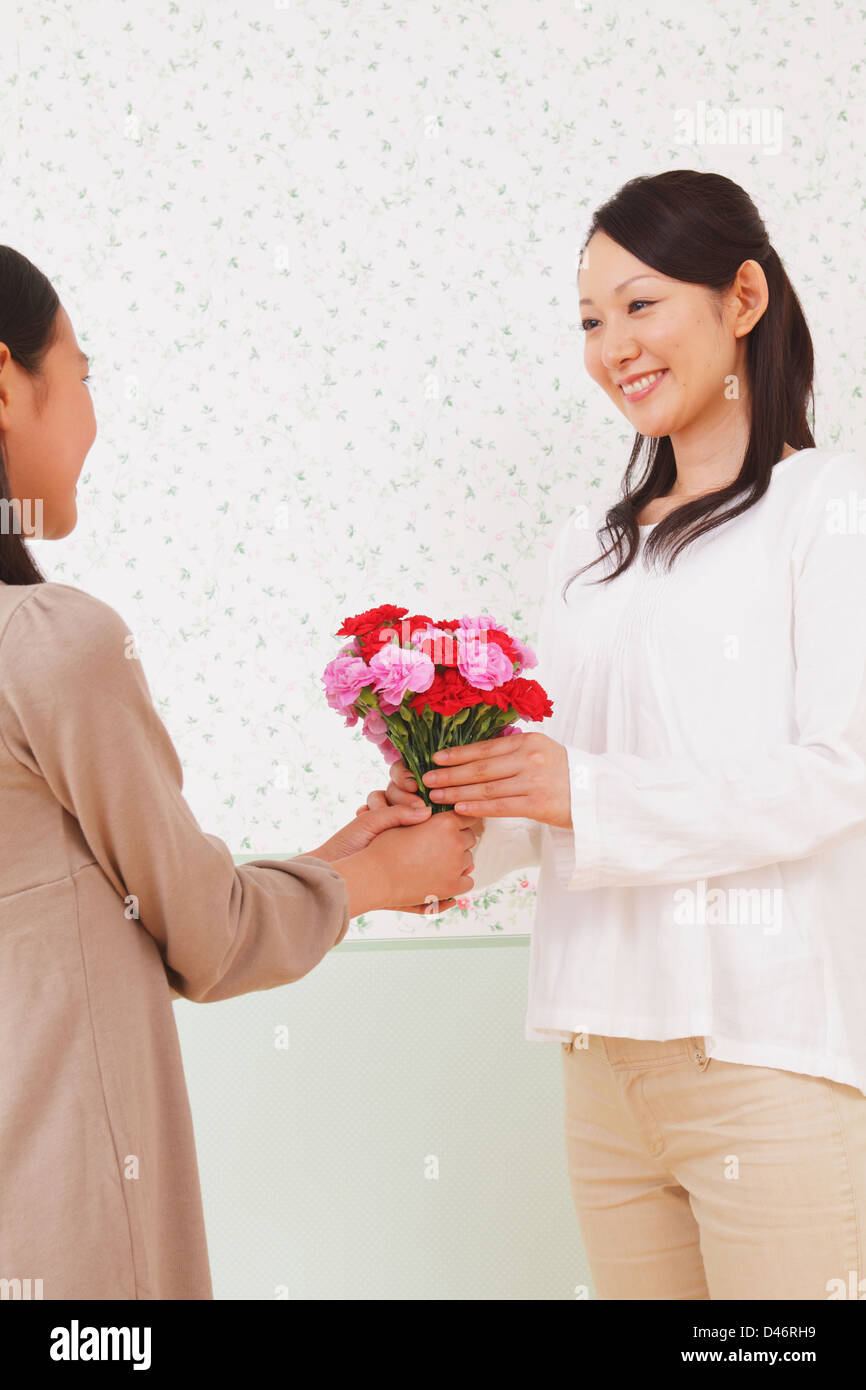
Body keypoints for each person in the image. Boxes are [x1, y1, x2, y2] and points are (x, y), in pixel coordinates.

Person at [367, 169, 866, 1300]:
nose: (611, 347)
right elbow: (560, 793)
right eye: (590, 319)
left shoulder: (826, 505)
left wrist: (574, 790)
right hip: (601, 1060)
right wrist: (442, 830)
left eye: (640, 305)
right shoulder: (586, 551)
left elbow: (837, 774)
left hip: (763, 1048)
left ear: (742, 298)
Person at [0, 243, 479, 1299]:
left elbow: (90, 914)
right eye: (82, 375)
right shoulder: (46, 641)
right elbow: (206, 938)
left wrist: (327, 862)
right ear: (6, 384)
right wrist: (388, 876)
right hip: (65, 1211)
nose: (90, 416)